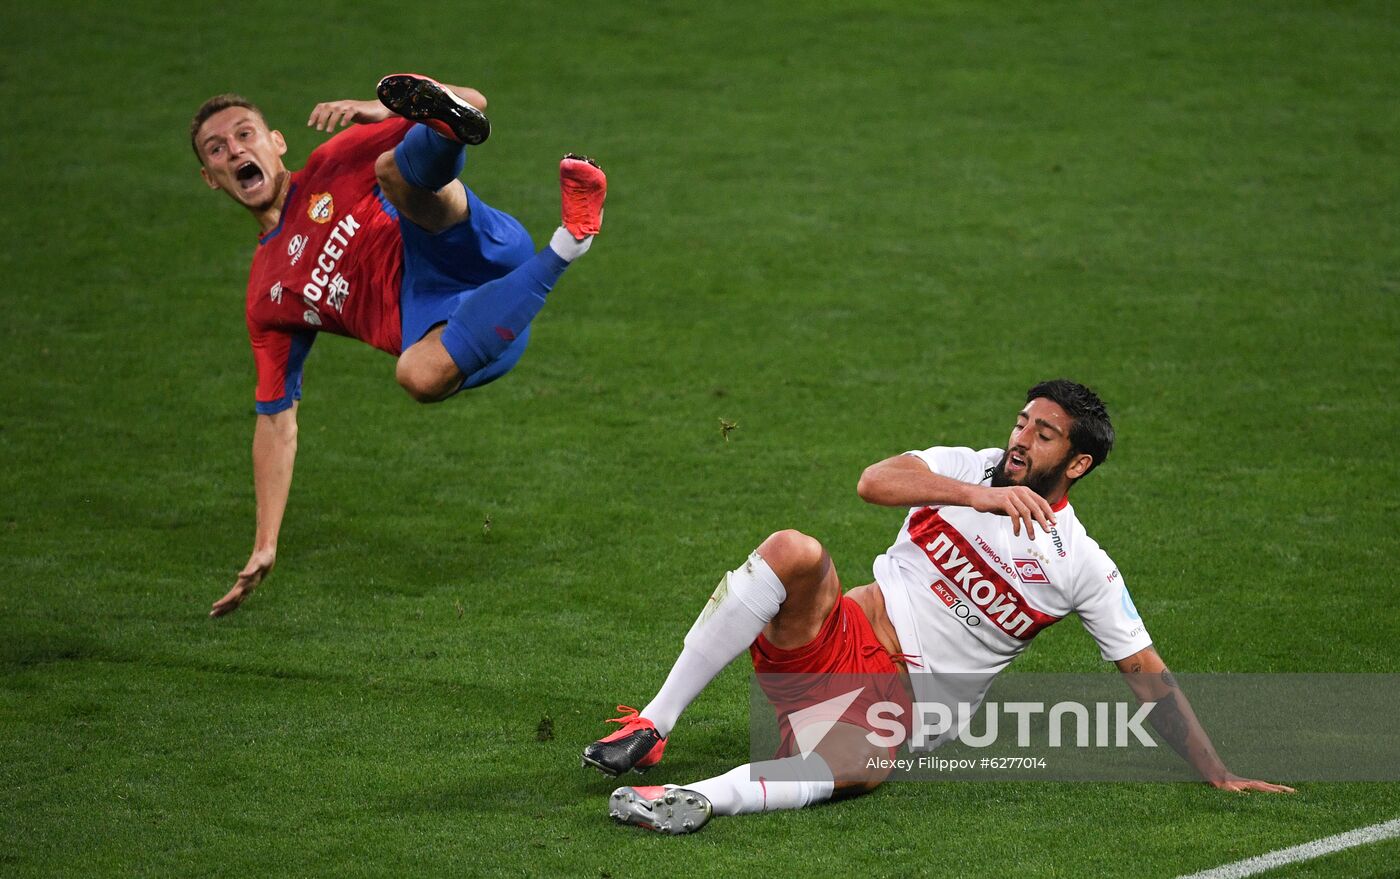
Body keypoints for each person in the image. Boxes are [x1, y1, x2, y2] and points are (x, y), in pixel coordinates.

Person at [582, 379, 1294, 834]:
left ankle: (696, 797)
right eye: (1022, 422)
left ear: (1076, 464)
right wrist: (979, 493)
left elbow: (1144, 669)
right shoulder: (967, 467)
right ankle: (656, 722)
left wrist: (1216, 769)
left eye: (1043, 434)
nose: (1020, 438)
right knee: (794, 548)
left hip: (895, 712)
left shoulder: (1081, 564)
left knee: (866, 763)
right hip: (832, 641)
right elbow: (874, 481)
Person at [191, 73, 606, 618]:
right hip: (465, 331)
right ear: (211, 178)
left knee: (392, 171)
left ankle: (443, 129)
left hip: (466, 245)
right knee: (416, 375)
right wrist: (265, 542)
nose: (235, 150)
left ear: (277, 142)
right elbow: (275, 420)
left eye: (246, 134)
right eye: (218, 149)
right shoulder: (268, 296)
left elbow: (478, 102)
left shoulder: (334, 162)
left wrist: (382, 110)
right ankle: (571, 240)